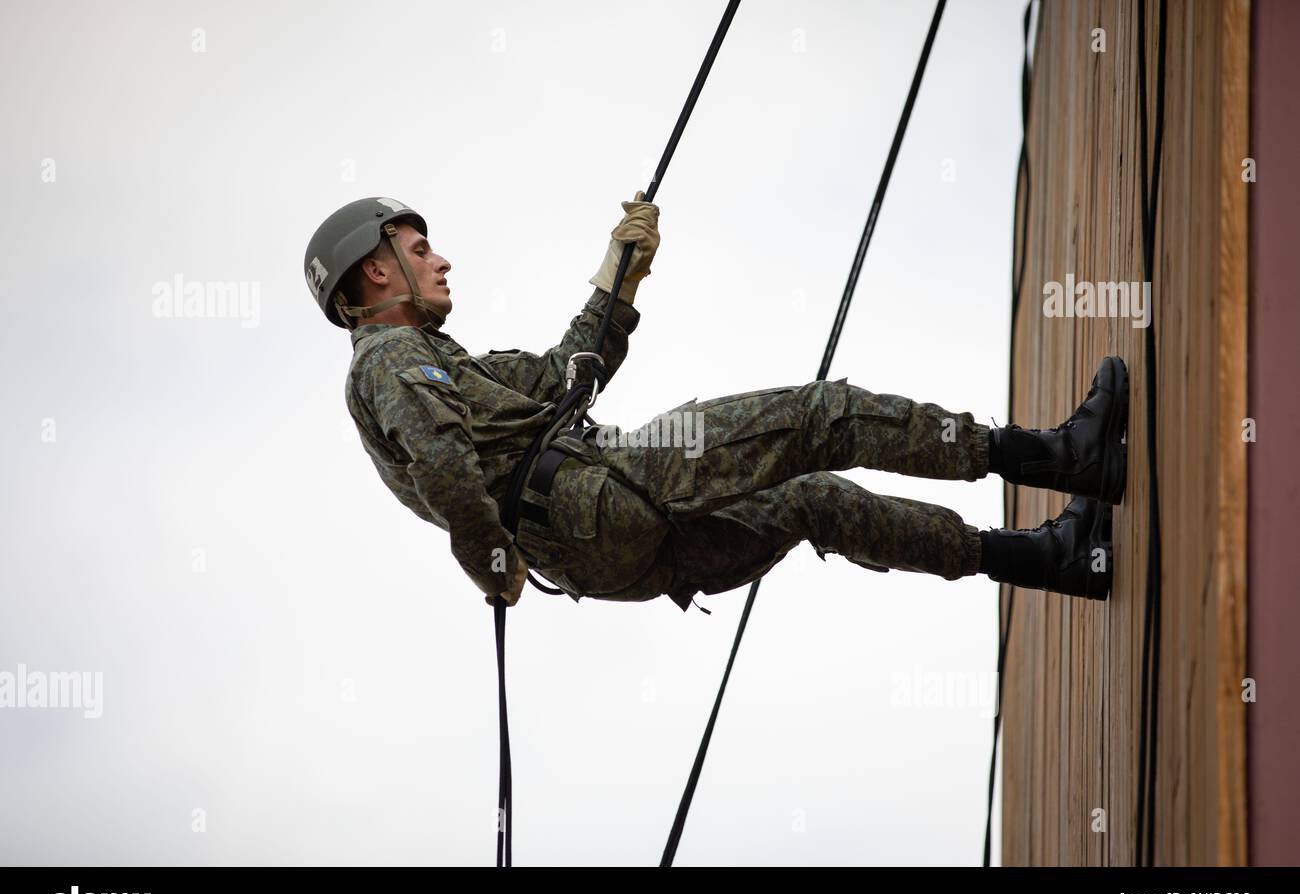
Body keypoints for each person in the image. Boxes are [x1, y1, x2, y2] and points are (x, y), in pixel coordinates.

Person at [303, 195, 1127, 611]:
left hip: (602, 556)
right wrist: (488, 561)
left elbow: (566, 380)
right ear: (375, 272)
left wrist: (618, 272)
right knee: (816, 420)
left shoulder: (438, 362)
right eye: (418, 250)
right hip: (602, 492)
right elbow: (445, 465)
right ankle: (1060, 459)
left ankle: (1047, 561)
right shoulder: (388, 359)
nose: (440, 260)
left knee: (813, 503)